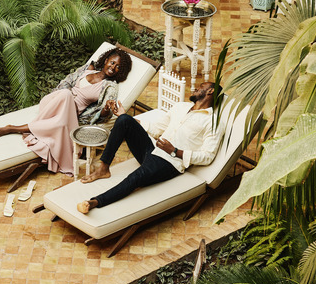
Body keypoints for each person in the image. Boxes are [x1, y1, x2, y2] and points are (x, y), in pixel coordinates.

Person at [77, 81, 224, 213]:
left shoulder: (213, 122)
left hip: (170, 162)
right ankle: (103, 169)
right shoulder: (181, 107)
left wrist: (174, 151)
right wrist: (127, 119)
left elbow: (207, 156)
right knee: (124, 120)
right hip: (152, 148)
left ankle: (95, 201)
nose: (196, 88)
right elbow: (157, 128)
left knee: (135, 178)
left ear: (210, 91)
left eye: (201, 87)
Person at [0, 48, 133, 175]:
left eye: (118, 67)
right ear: (106, 60)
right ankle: (21, 128)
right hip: (54, 102)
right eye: (113, 62)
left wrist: (107, 107)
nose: (114, 67)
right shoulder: (88, 69)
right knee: (66, 94)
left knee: (60, 122)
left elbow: (103, 115)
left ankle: (14, 128)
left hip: (70, 114)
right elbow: (66, 83)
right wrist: (66, 93)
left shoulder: (110, 87)